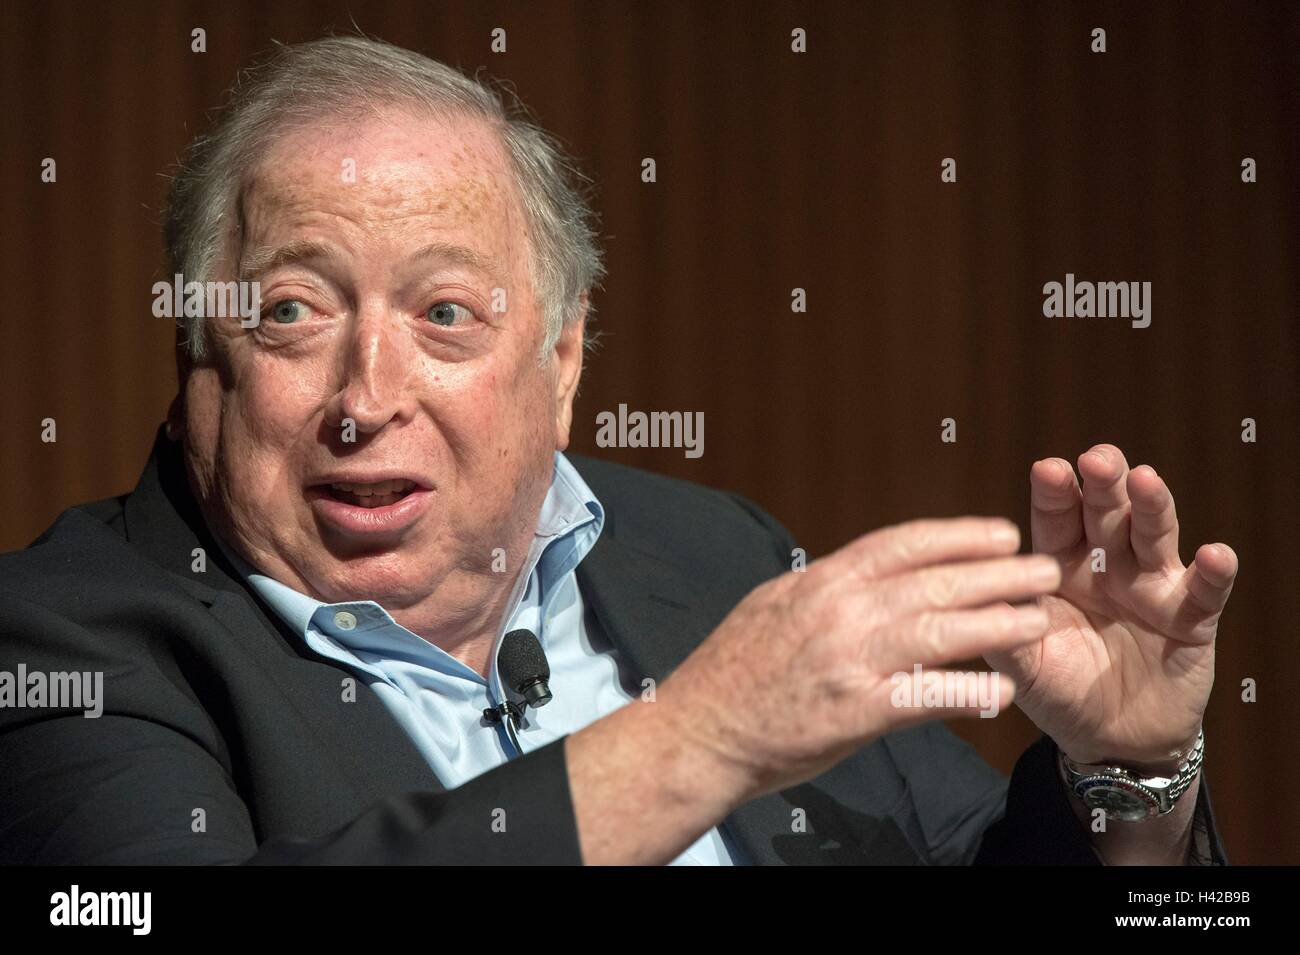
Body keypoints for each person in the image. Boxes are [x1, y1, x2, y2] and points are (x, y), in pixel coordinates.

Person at [0, 36, 1234, 865]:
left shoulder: (709, 555)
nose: (365, 398)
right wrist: (699, 739)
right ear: (194, 357)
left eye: (445, 315)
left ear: (564, 360)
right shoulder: (64, 645)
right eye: (291, 311)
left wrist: (1129, 776)